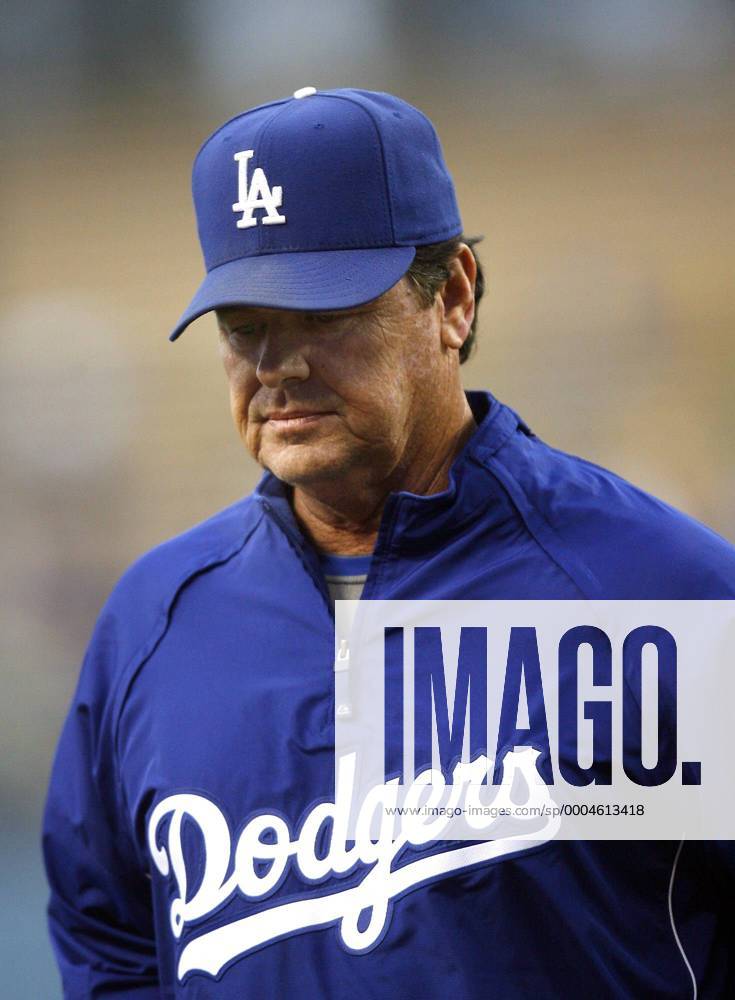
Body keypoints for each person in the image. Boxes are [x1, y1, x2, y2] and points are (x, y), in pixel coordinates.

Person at [43, 87, 735, 998]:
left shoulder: (656, 595)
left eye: (323, 315)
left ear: (452, 298)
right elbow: (108, 934)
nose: (278, 366)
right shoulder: (155, 623)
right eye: (245, 327)